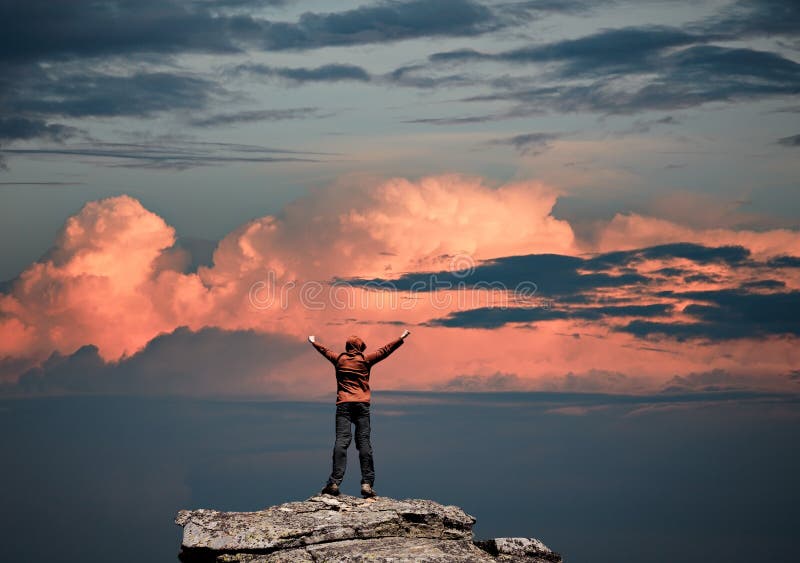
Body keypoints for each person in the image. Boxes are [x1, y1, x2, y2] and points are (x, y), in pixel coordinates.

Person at [308, 330, 410, 498]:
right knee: (363, 443)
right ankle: (367, 484)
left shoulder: (339, 359)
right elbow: (385, 350)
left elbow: (324, 351)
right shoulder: (365, 360)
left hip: (344, 405)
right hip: (362, 405)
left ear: (347, 347)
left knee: (341, 441)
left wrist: (313, 342)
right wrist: (401, 338)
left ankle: (334, 483)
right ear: (360, 348)